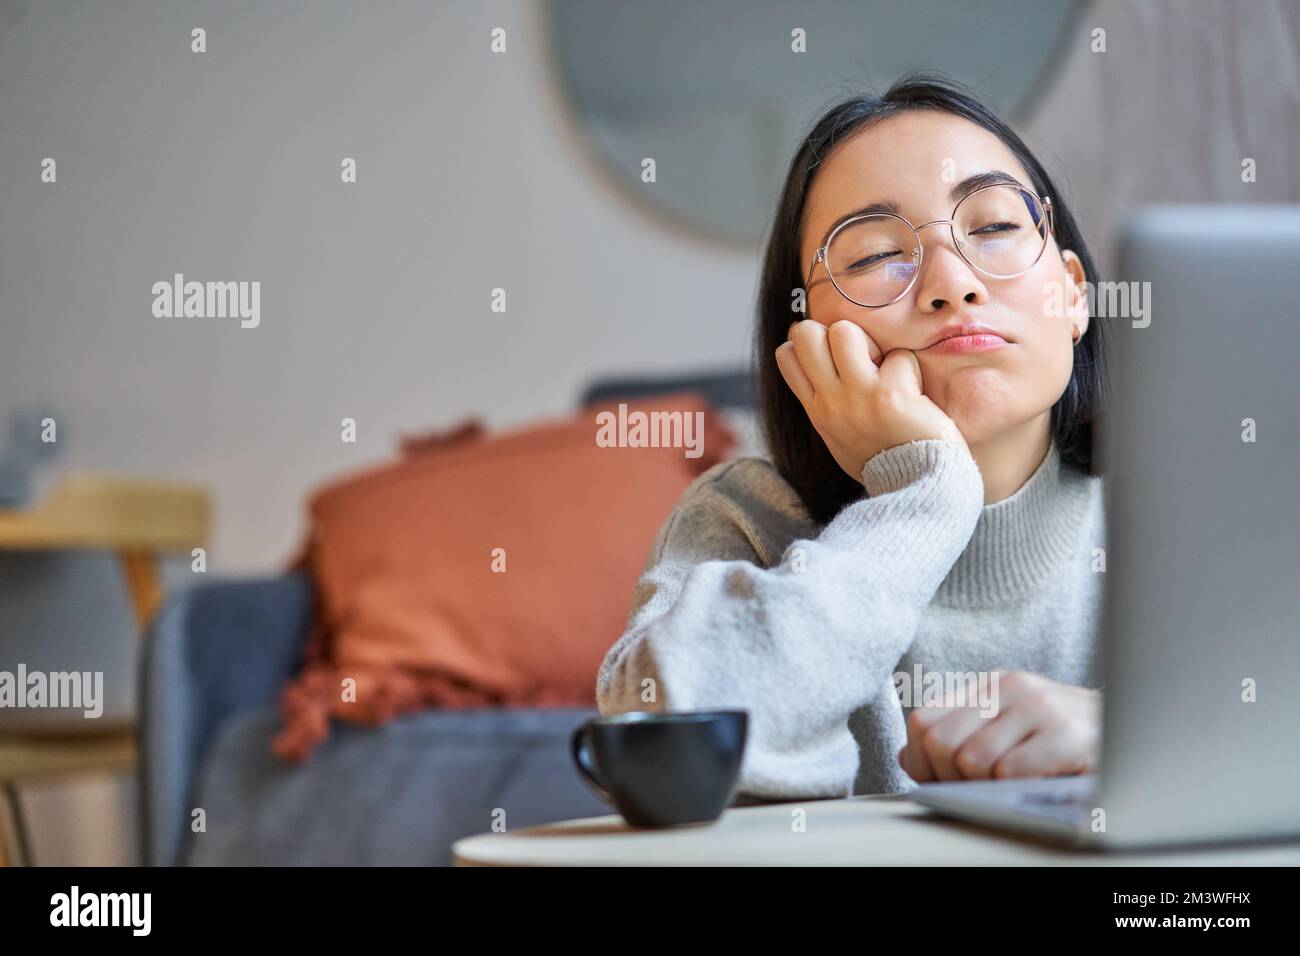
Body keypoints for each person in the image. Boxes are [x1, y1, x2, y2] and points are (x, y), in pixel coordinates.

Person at [595, 72, 1110, 801]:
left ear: (1074, 294)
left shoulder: (1179, 515)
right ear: (806, 339)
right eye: (873, 256)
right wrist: (922, 493)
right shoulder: (744, 520)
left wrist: (1130, 735)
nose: (952, 283)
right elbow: (664, 761)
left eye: (994, 227)